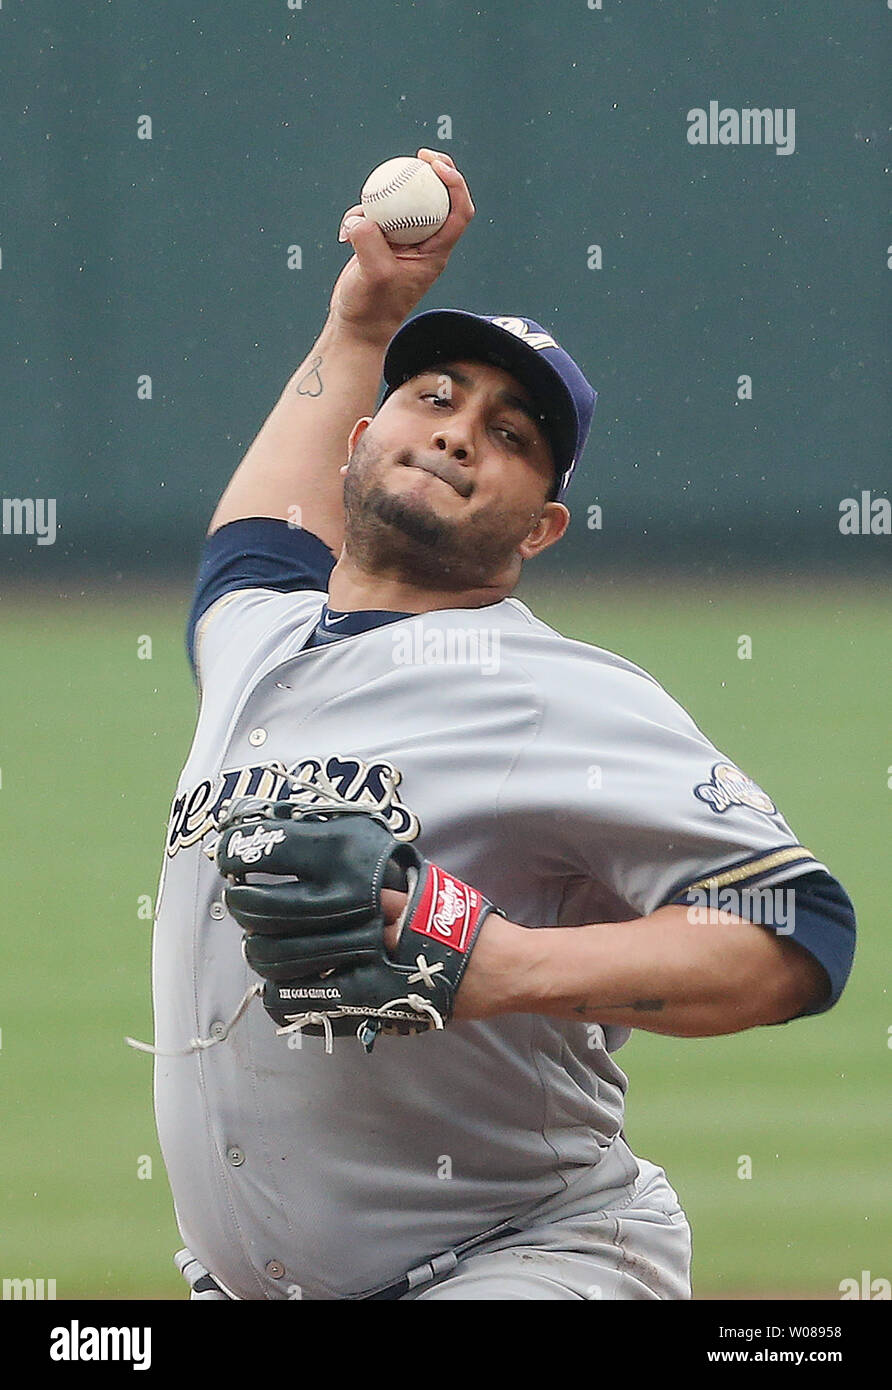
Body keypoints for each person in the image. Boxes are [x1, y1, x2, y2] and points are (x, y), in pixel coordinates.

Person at [149, 149, 856, 1301]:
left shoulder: (554, 691)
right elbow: (254, 543)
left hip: (525, 1261)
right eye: (432, 397)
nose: (459, 430)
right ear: (359, 440)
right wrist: (363, 315)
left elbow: (796, 929)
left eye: (512, 434)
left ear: (542, 530)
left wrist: (501, 961)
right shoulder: (257, 642)